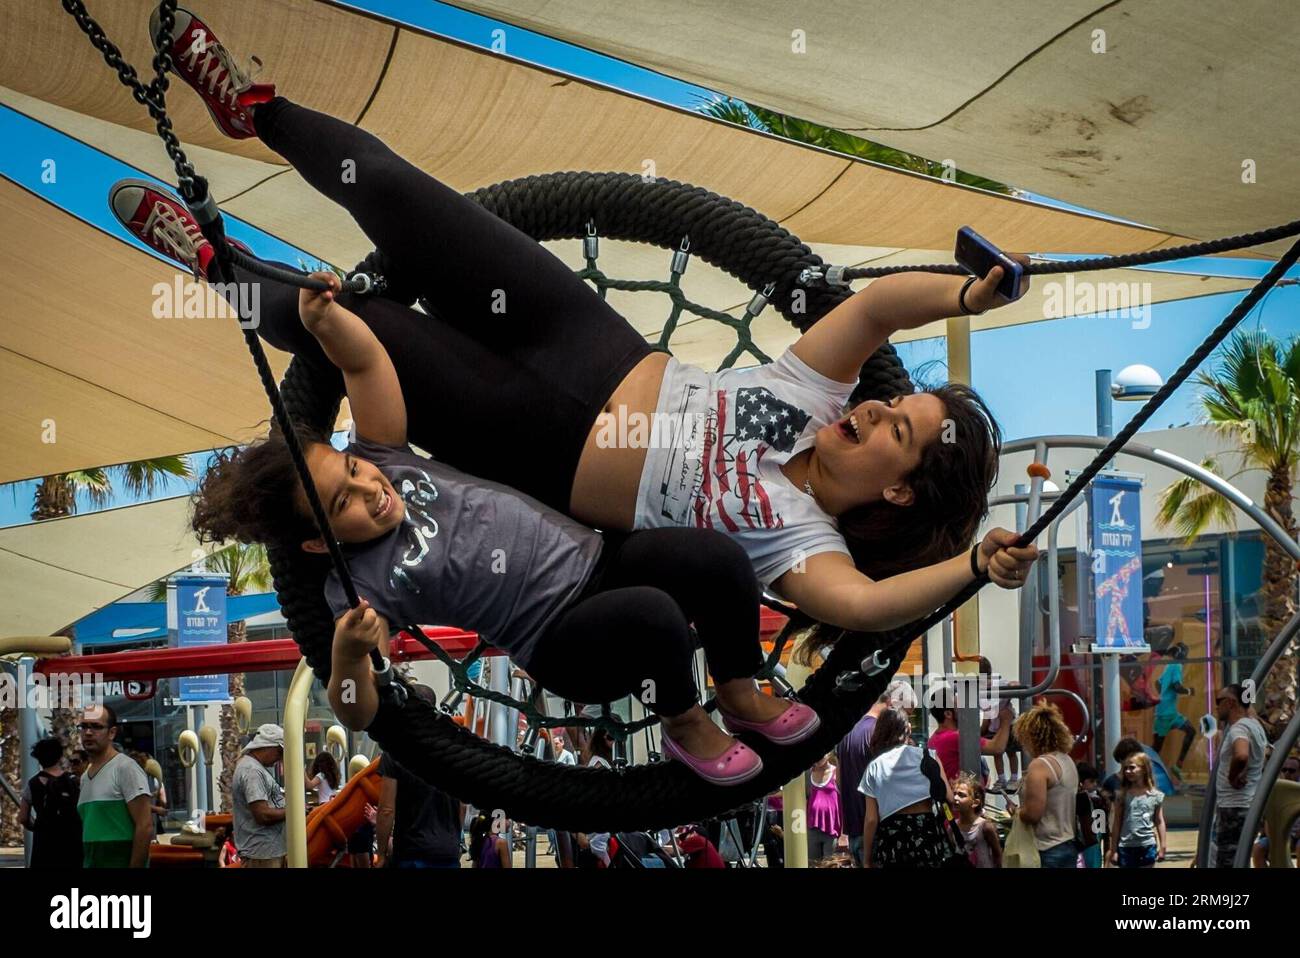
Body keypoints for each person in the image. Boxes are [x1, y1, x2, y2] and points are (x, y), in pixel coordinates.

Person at [141, 3, 1040, 688]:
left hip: (525, 440)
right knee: (399, 198)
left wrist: (972, 566)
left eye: (901, 430)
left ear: (897, 485)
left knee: (353, 331)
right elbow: (879, 307)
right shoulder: (817, 396)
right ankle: (255, 110)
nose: (881, 406)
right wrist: (969, 294)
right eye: (898, 401)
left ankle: (222, 264)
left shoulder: (804, 551)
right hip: (579, 336)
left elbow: (877, 607)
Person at [860, 707, 955, 868]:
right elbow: (949, 798)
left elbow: (871, 819)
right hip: (927, 833)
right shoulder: (928, 756)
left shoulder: (874, 767)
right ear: (908, 729)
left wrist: (867, 860)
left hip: (892, 839)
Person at [836, 679, 915, 866]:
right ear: (894, 705)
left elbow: (839, 781)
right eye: (906, 714)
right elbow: (893, 783)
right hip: (879, 832)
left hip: (855, 829)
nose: (906, 721)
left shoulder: (847, 731)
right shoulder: (880, 734)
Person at [76, 705, 152, 868]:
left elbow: (145, 825)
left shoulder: (125, 768)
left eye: (96, 726)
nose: (88, 733)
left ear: (112, 732)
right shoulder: (85, 778)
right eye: (84, 726)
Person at [1010, 703, 1079, 868]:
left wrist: (1016, 812)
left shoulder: (1040, 765)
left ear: (1032, 737)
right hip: (1068, 843)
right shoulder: (1066, 760)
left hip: (1046, 847)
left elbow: (1033, 814)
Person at [1211, 683, 1268, 868]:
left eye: (1218, 701)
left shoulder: (1239, 728)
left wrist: (1232, 776)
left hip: (1234, 806)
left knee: (1228, 861)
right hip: (1247, 803)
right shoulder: (1254, 725)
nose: (1216, 706)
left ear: (1230, 703)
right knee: (1239, 858)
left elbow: (1241, 754)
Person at [927, 683, 1014, 783]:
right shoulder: (955, 737)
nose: (965, 709)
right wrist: (1006, 720)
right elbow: (997, 748)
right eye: (959, 706)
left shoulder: (933, 739)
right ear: (948, 714)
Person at [19, 737, 83, 868]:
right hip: (72, 842)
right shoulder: (73, 782)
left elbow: (23, 817)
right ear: (60, 757)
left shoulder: (32, 784)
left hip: (44, 843)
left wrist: (35, 826)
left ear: (39, 759)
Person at [231, 723, 288, 868]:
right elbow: (262, 815)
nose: (280, 759)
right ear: (267, 746)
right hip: (262, 855)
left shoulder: (255, 768)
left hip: (266, 853)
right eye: (279, 752)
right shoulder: (252, 771)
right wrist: (293, 812)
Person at [1108, 752, 1166, 868]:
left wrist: (1163, 845)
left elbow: (1159, 821)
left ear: (1144, 769)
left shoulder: (1155, 796)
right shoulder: (1122, 795)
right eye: (1126, 768)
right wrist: (1113, 850)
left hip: (1147, 845)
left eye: (1132, 768)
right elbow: (1117, 823)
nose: (1128, 771)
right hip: (1126, 846)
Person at [1151, 642, 1197, 780]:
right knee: (1156, 748)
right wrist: (1189, 691)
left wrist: (1163, 695)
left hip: (1169, 712)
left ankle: (1178, 766)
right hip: (1165, 714)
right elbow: (1177, 687)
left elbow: (1157, 683)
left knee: (1190, 731)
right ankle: (1146, 773)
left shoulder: (1169, 666)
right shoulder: (1176, 665)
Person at [977, 658, 1021, 792]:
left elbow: (1015, 684)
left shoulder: (999, 683)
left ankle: (1014, 778)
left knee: (1011, 752)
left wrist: (1013, 685)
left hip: (1008, 723)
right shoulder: (978, 690)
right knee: (997, 752)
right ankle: (1001, 779)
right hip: (994, 725)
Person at [1252, 753, 1300, 868]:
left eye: (1292, 770)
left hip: (1298, 836)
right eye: (1284, 770)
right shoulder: (1276, 790)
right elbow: (1269, 818)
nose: (1287, 773)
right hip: (1279, 835)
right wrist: (1272, 838)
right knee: (1258, 849)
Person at [952, 771, 1001, 868]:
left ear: (975, 802)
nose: (955, 798)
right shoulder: (952, 828)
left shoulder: (985, 827)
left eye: (961, 795)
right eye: (954, 794)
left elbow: (998, 855)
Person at [806, 753, 842, 863]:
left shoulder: (837, 772)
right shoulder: (808, 774)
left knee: (830, 864)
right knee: (813, 864)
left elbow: (846, 801)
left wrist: (844, 835)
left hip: (832, 829)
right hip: (812, 828)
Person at [1075, 763, 1107, 869]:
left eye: (1096, 781)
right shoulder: (1078, 799)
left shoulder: (1098, 798)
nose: (1095, 784)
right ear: (1080, 783)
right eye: (1091, 781)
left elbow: (1103, 823)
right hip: (1086, 841)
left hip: (1095, 840)